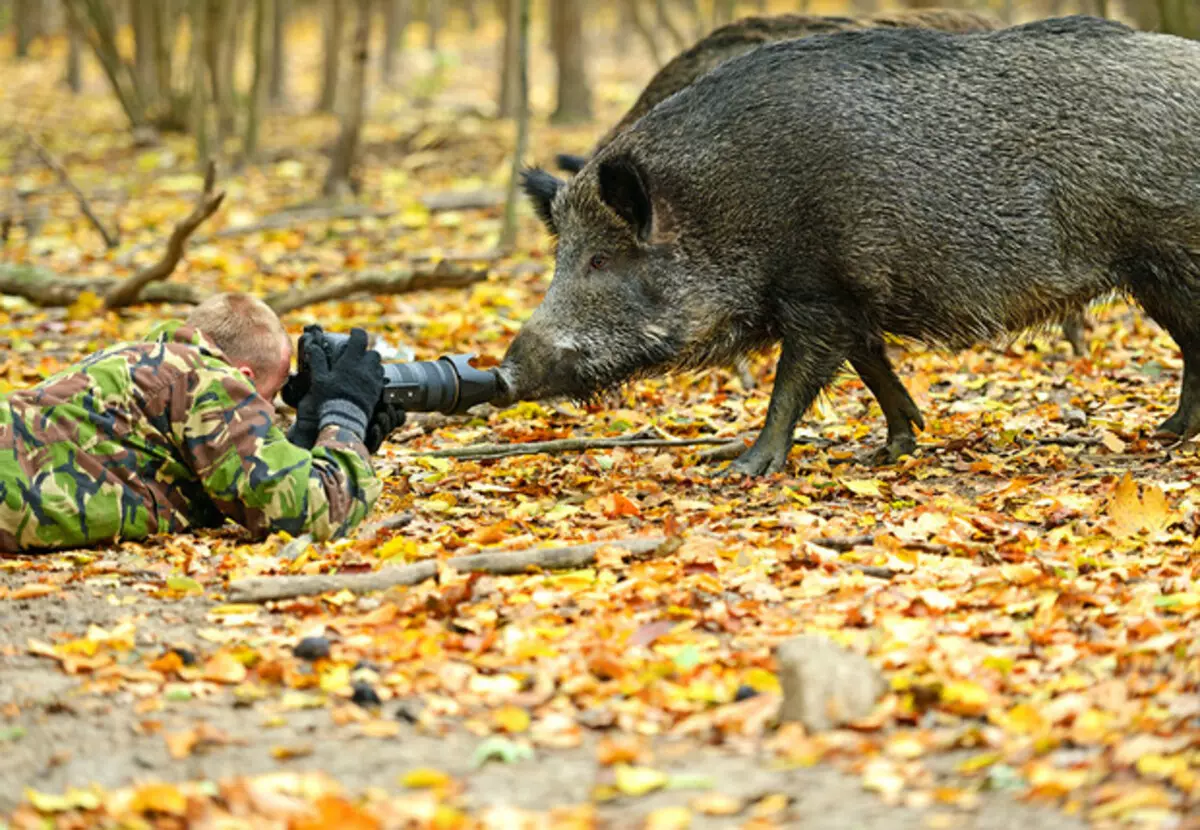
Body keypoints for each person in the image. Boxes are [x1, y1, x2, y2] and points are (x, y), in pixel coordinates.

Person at [0, 293, 405, 554]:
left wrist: (309, 437)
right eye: (270, 393)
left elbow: (225, 484)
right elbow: (316, 513)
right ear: (241, 378)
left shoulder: (142, 362)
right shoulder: (205, 378)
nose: (266, 411)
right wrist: (346, 414)